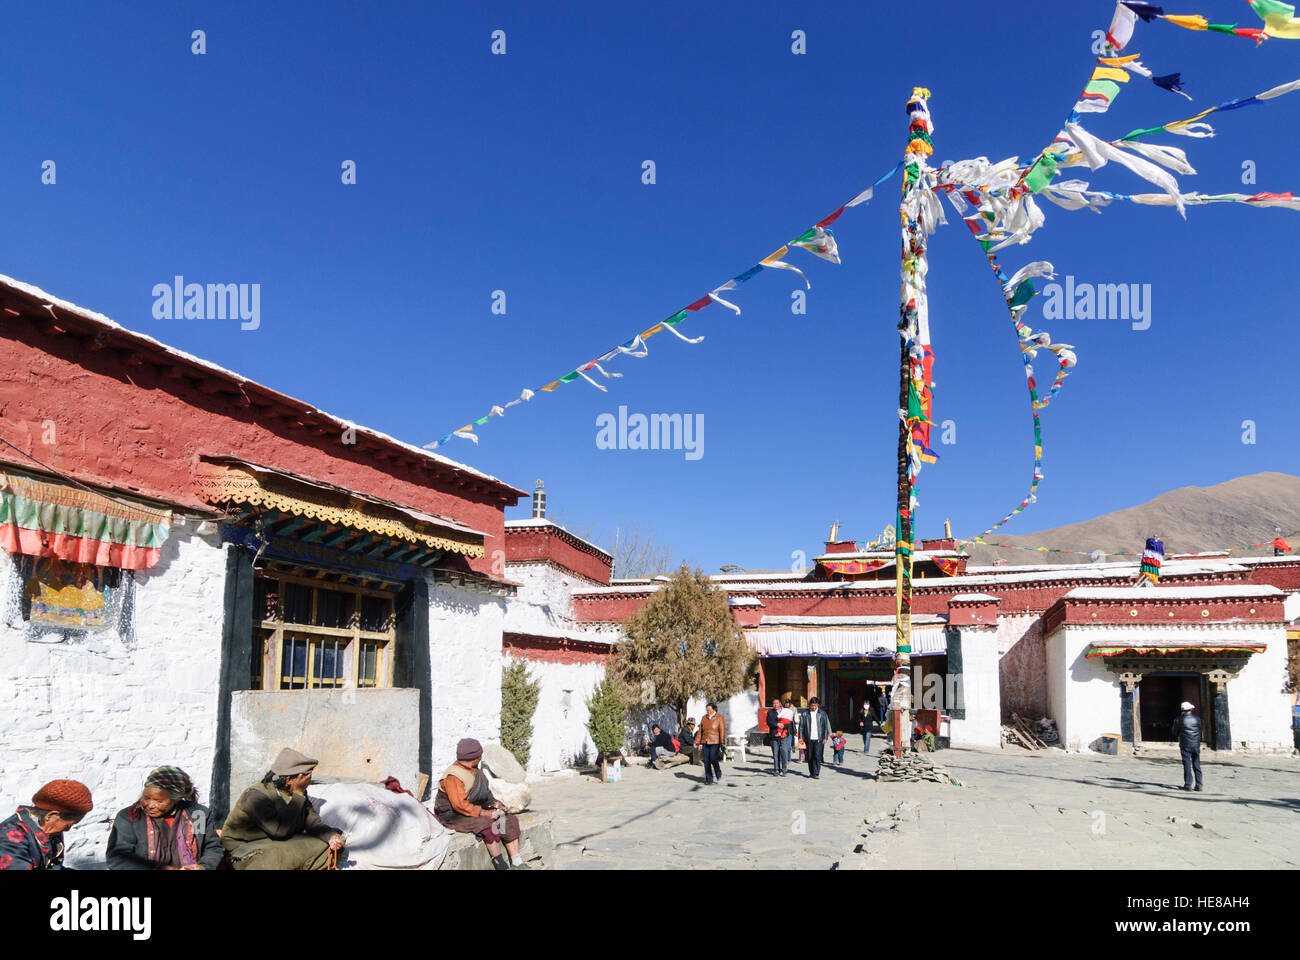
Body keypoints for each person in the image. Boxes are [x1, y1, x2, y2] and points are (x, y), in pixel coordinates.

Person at [220, 747, 346, 870]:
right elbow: (279, 830)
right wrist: (298, 794)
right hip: (246, 847)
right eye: (304, 779)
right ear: (289, 780)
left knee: (328, 843)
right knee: (277, 855)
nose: (307, 783)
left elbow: (313, 822)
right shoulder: (255, 796)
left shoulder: (297, 794)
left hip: (278, 842)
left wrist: (331, 837)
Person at [433, 738, 530, 870]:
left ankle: (517, 862)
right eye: (479, 756)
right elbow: (459, 805)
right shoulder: (453, 776)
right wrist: (485, 813)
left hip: (474, 810)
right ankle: (501, 865)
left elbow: (486, 794)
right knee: (487, 824)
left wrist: (495, 805)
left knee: (508, 820)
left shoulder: (475, 771)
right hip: (454, 815)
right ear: (475, 757)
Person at [107, 766, 223, 870]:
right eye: (146, 798)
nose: (150, 805)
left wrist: (203, 866)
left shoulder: (197, 815)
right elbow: (117, 857)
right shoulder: (130, 817)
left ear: (176, 799)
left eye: (159, 801)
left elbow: (211, 846)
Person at [0, 780, 93, 870]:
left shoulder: (49, 831)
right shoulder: (9, 840)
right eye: (69, 825)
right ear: (51, 816)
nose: (67, 830)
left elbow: (54, 867)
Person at [1171, 701, 1203, 792]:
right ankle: (1199, 785)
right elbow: (1200, 729)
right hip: (1196, 744)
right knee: (1197, 763)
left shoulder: (1178, 719)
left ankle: (1188, 785)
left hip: (1185, 744)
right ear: (1191, 709)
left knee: (1187, 764)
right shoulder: (1197, 719)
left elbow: (1174, 732)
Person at [695, 702, 726, 785]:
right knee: (706, 761)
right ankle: (709, 779)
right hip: (705, 741)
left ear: (714, 709)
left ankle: (718, 772)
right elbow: (700, 731)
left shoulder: (720, 718)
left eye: (709, 710)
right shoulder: (704, 718)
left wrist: (722, 742)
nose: (708, 711)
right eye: (707, 710)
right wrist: (697, 742)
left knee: (713, 758)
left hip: (715, 741)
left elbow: (722, 731)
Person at [799, 697, 830, 778]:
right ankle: (812, 772)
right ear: (809, 705)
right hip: (808, 738)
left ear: (818, 705)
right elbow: (801, 727)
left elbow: (826, 727)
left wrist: (825, 737)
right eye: (812, 705)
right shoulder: (805, 714)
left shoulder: (822, 714)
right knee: (809, 756)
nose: (813, 707)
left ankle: (816, 773)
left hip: (819, 738)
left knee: (817, 756)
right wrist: (800, 737)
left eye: (815, 705)